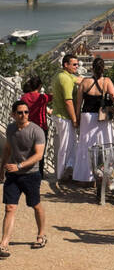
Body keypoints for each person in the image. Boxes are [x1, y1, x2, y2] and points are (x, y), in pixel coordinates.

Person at [0, 100, 47, 255]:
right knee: (10, 207)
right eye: (20, 112)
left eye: (26, 112)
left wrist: (20, 166)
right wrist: (2, 168)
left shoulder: (36, 131)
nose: (24, 115)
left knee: (36, 205)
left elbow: (39, 155)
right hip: (12, 175)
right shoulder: (10, 128)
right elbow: (7, 149)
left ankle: (41, 235)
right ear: (13, 114)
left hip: (30, 175)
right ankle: (4, 243)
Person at [72, 57, 114, 184]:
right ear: (103, 69)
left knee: (86, 144)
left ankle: (85, 176)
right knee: (104, 143)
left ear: (92, 68)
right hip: (101, 116)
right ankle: (104, 175)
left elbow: (79, 103)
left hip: (87, 115)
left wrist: (77, 118)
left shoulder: (85, 82)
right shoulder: (106, 81)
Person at [51, 52, 80, 182]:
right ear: (66, 64)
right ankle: (62, 174)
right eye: (74, 64)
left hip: (59, 114)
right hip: (64, 116)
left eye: (77, 64)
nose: (76, 67)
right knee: (66, 146)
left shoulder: (60, 74)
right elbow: (68, 101)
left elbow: (78, 79)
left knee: (69, 145)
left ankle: (67, 170)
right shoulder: (66, 79)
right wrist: (74, 119)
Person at [21, 75, 51, 179]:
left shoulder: (24, 97)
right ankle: (40, 173)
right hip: (41, 127)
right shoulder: (43, 97)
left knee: (29, 150)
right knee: (40, 152)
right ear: (39, 86)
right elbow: (54, 96)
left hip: (28, 127)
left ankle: (28, 171)